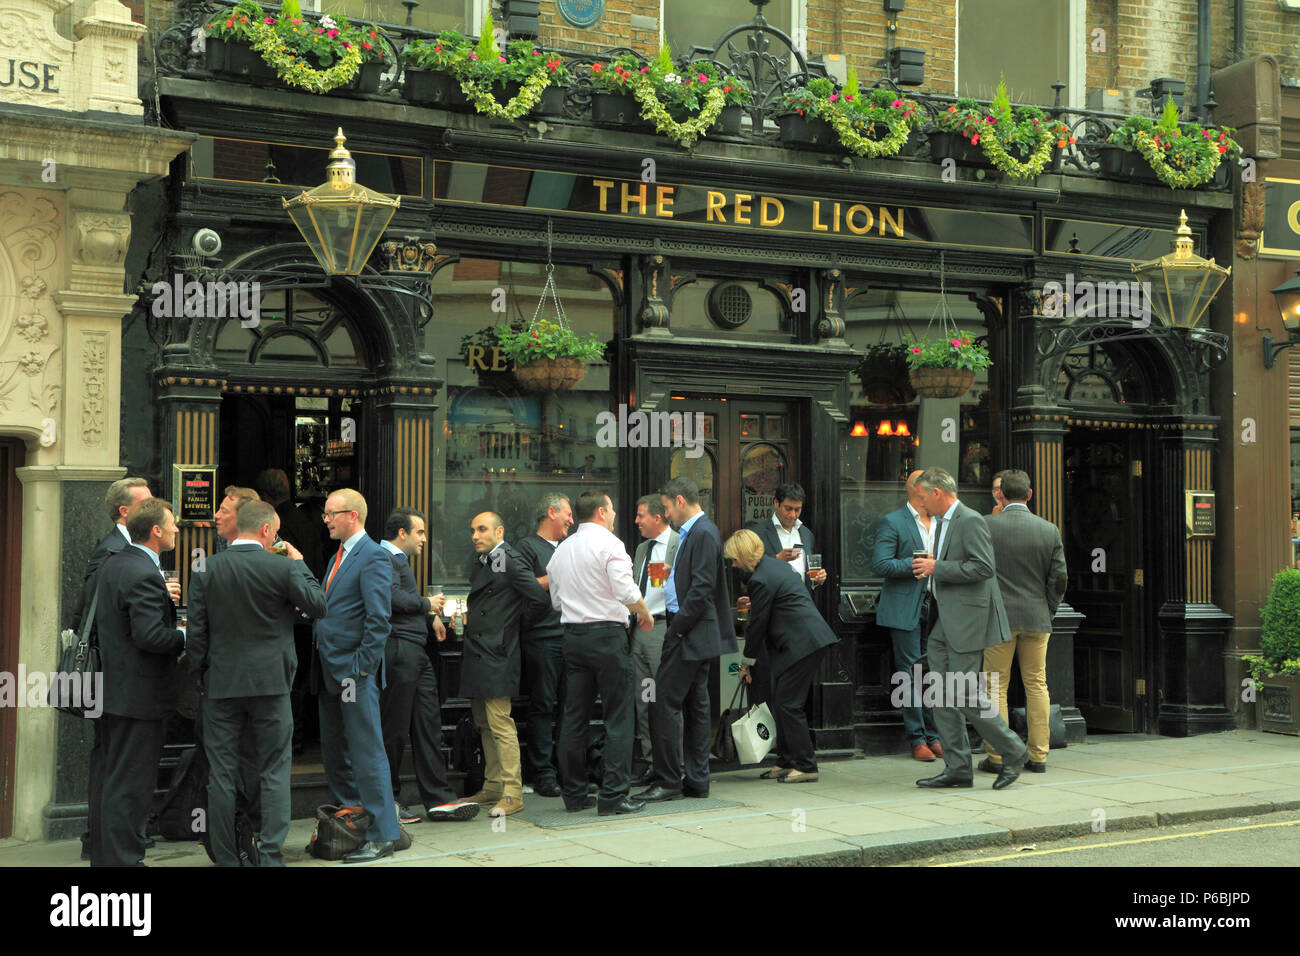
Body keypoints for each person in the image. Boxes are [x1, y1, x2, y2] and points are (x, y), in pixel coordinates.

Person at [186, 500, 326, 866]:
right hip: (272, 684)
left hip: (221, 684)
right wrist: (298, 562)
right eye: (276, 531)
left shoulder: (206, 569)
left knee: (221, 774)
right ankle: (270, 855)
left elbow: (197, 635)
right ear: (266, 530)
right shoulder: (283, 567)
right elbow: (319, 605)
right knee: (274, 769)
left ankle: (228, 859)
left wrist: (200, 676)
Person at [911, 467, 1028, 791]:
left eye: (923, 497)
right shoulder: (942, 522)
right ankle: (958, 768)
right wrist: (936, 566)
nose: (921, 504)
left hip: (967, 621)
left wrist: (938, 567)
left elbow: (983, 566)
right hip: (943, 620)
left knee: (963, 693)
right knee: (940, 695)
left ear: (937, 492)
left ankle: (1014, 750)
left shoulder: (971, 520)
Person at [88, 498, 186, 866]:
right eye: (172, 523)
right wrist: (185, 637)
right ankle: (125, 859)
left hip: (114, 691)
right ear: (157, 530)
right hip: (138, 696)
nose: (177, 529)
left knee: (114, 779)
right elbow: (150, 637)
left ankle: (108, 856)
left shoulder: (115, 562)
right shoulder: (143, 571)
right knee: (131, 783)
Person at [546, 490, 653, 815]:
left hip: (573, 637)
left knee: (574, 717)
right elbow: (624, 590)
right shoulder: (610, 544)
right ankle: (613, 797)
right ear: (602, 512)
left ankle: (575, 795)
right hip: (607, 636)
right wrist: (645, 612)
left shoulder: (562, 550)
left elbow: (556, 601)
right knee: (619, 717)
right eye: (613, 509)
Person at [73, 476, 163, 860]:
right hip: (119, 679)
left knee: (114, 766)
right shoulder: (111, 551)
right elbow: (91, 609)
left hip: (117, 679)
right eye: (146, 505)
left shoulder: (130, 554)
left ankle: (104, 845)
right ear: (126, 512)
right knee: (116, 768)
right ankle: (105, 845)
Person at [313, 488, 401, 863]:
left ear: (353, 516)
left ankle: (383, 834)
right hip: (328, 670)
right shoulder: (338, 555)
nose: (327, 520)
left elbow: (379, 619)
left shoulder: (374, 556)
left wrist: (360, 668)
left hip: (352, 673)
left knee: (366, 751)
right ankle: (352, 821)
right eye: (326, 514)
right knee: (336, 750)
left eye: (332, 514)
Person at [636, 476, 737, 802]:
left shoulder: (703, 533)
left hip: (689, 632)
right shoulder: (693, 533)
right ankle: (696, 780)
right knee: (695, 704)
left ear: (680, 501)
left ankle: (668, 780)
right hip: (693, 631)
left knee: (662, 702)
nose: (665, 514)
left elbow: (701, 589)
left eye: (665, 507)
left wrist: (677, 629)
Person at [378, 508, 478, 824]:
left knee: (428, 725)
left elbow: (401, 597)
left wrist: (428, 616)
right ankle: (388, 802)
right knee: (393, 729)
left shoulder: (397, 561)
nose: (424, 538)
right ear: (402, 533)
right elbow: (388, 596)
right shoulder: (384, 558)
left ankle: (438, 799)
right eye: (420, 532)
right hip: (398, 650)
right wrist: (427, 605)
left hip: (415, 651)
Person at [726, 529, 838, 783]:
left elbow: (757, 625)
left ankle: (807, 765)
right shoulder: (775, 567)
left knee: (788, 703)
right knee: (781, 701)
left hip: (803, 643)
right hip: (804, 640)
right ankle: (787, 760)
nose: (733, 564)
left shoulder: (760, 579)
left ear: (743, 555)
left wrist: (746, 663)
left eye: (734, 559)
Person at [462, 511, 551, 817]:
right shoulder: (483, 560)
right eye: (473, 530)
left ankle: (512, 793)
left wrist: (508, 629)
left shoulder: (508, 559)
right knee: (483, 723)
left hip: (497, 652)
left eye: (482, 529)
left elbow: (538, 599)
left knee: (500, 723)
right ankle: (492, 785)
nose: (475, 535)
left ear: (499, 531)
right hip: (479, 651)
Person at [980, 469, 1067, 775]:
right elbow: (1059, 580)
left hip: (998, 619)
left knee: (995, 686)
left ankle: (999, 756)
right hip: (1037, 617)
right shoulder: (1049, 530)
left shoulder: (986, 526)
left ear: (999, 495)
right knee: (1036, 684)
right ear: (1030, 494)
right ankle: (1039, 756)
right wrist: (1048, 610)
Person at [871, 470, 944, 762]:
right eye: (929, 484)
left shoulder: (941, 520)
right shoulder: (893, 521)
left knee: (934, 670)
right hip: (905, 606)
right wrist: (913, 564)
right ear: (915, 488)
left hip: (938, 604)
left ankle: (935, 734)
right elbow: (881, 564)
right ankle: (917, 739)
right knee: (911, 673)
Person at [514, 493, 574, 799]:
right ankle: (543, 773)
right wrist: (558, 573)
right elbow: (525, 587)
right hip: (541, 638)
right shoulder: (525, 548)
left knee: (571, 707)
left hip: (573, 636)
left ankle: (568, 772)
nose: (572, 521)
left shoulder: (570, 546)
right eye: (568, 514)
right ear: (551, 512)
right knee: (543, 706)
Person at [629, 493, 679, 785]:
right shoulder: (641, 549)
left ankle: (673, 763)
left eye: (641, 516)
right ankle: (651, 762)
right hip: (639, 632)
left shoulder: (677, 545)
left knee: (666, 699)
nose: (636, 521)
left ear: (657, 518)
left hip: (662, 630)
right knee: (644, 699)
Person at [748, 482, 827, 593]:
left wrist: (817, 580)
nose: (792, 515)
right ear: (776, 503)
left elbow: (807, 575)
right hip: (774, 605)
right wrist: (776, 559)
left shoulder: (807, 534)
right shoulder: (756, 534)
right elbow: (745, 573)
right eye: (788, 508)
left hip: (803, 603)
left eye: (797, 510)